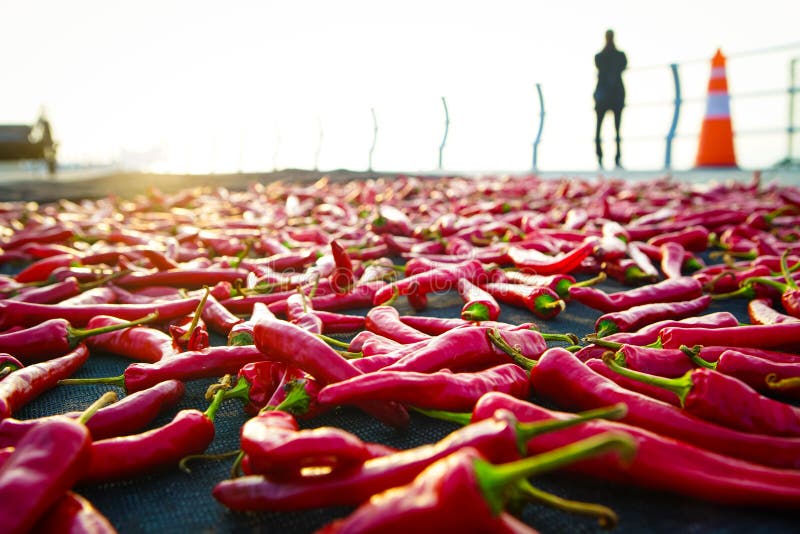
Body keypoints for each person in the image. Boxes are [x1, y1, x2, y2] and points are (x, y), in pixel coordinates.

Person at [594, 29, 627, 169]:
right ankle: (615, 157)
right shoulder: (619, 56)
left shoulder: (600, 56)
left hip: (604, 95)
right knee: (616, 127)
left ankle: (602, 156)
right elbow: (623, 67)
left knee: (603, 127)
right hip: (615, 94)